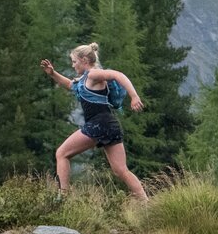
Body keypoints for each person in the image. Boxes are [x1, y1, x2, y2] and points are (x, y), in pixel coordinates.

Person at [38, 42, 149, 202]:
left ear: (84, 60)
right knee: (121, 170)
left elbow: (118, 75)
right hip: (110, 125)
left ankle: (62, 197)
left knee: (62, 153)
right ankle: (145, 203)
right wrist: (53, 73)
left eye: (74, 61)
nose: (73, 65)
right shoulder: (83, 80)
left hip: (99, 124)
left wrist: (134, 96)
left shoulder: (93, 74)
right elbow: (70, 85)